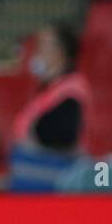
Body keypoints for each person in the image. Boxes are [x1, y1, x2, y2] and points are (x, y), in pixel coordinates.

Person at [8, 23, 91, 192]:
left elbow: (60, 134)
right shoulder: (50, 87)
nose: (38, 51)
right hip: (31, 178)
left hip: (52, 181)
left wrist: (35, 129)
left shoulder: (72, 88)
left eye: (44, 44)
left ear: (61, 51)